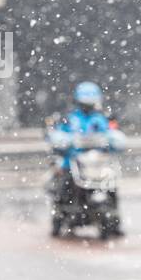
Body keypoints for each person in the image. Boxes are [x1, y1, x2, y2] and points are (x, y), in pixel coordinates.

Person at [47, 81, 127, 233]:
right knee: (65, 186)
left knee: (111, 187)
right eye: (85, 104)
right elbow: (55, 135)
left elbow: (116, 136)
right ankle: (60, 215)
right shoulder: (69, 119)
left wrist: (112, 139)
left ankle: (115, 220)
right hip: (73, 163)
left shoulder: (103, 118)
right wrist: (64, 140)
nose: (88, 107)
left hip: (97, 163)